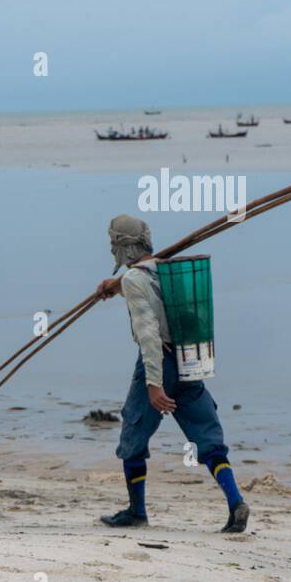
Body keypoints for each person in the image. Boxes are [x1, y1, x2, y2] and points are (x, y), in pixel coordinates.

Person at [94, 214, 249, 534]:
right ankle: (235, 502)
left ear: (121, 247)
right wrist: (116, 285)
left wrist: (153, 384)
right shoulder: (164, 269)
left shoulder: (137, 279)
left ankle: (137, 511)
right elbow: (146, 289)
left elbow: (149, 333)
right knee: (208, 436)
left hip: (159, 364)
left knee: (133, 435)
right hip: (187, 361)